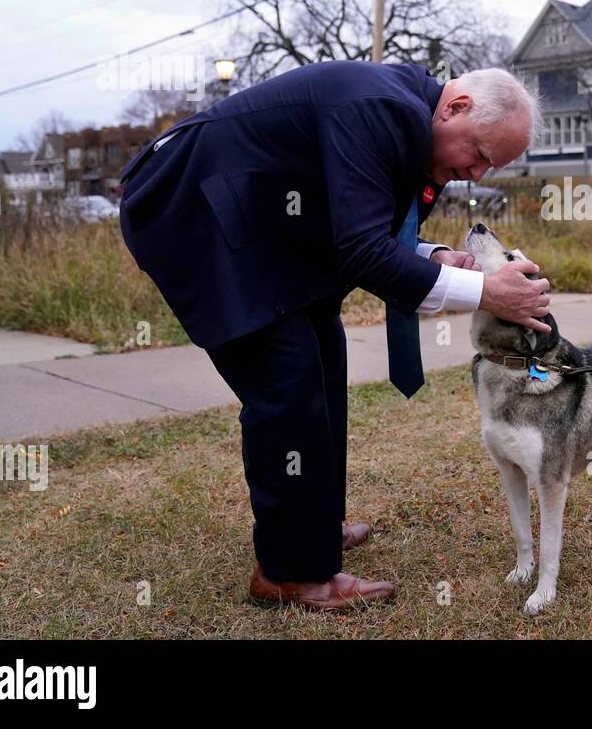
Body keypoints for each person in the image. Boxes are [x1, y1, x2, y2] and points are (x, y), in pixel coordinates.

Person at [119, 62, 550, 611]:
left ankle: (315, 529)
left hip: (272, 226)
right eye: (483, 154)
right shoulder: (375, 108)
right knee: (287, 381)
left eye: (492, 165)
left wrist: (440, 258)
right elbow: (362, 252)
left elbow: (364, 228)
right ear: (457, 107)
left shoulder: (418, 130)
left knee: (323, 360)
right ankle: (290, 573)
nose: (479, 175)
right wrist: (484, 292)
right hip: (195, 209)